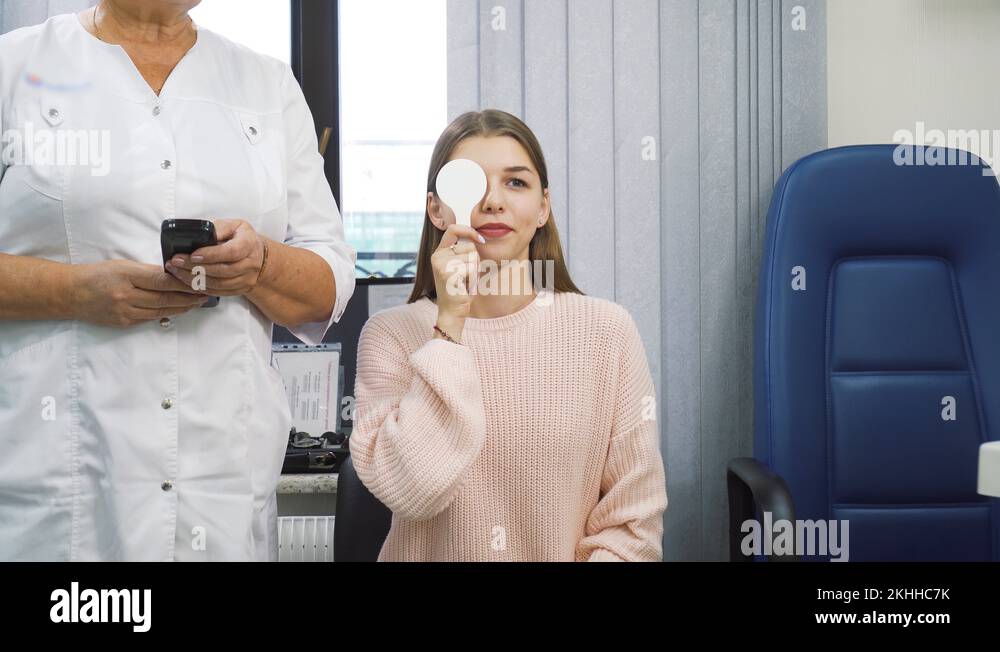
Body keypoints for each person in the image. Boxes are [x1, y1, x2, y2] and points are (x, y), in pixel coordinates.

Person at [0, 1, 356, 561]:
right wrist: (74, 292)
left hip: (221, 486)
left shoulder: (265, 84)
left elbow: (327, 281)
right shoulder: (15, 68)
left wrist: (260, 264)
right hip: (60, 486)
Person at [350, 109, 667, 561]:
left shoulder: (607, 332)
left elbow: (633, 526)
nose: (493, 202)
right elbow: (412, 489)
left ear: (543, 208)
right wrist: (449, 324)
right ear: (436, 210)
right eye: (472, 184)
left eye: (515, 182)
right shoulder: (390, 335)